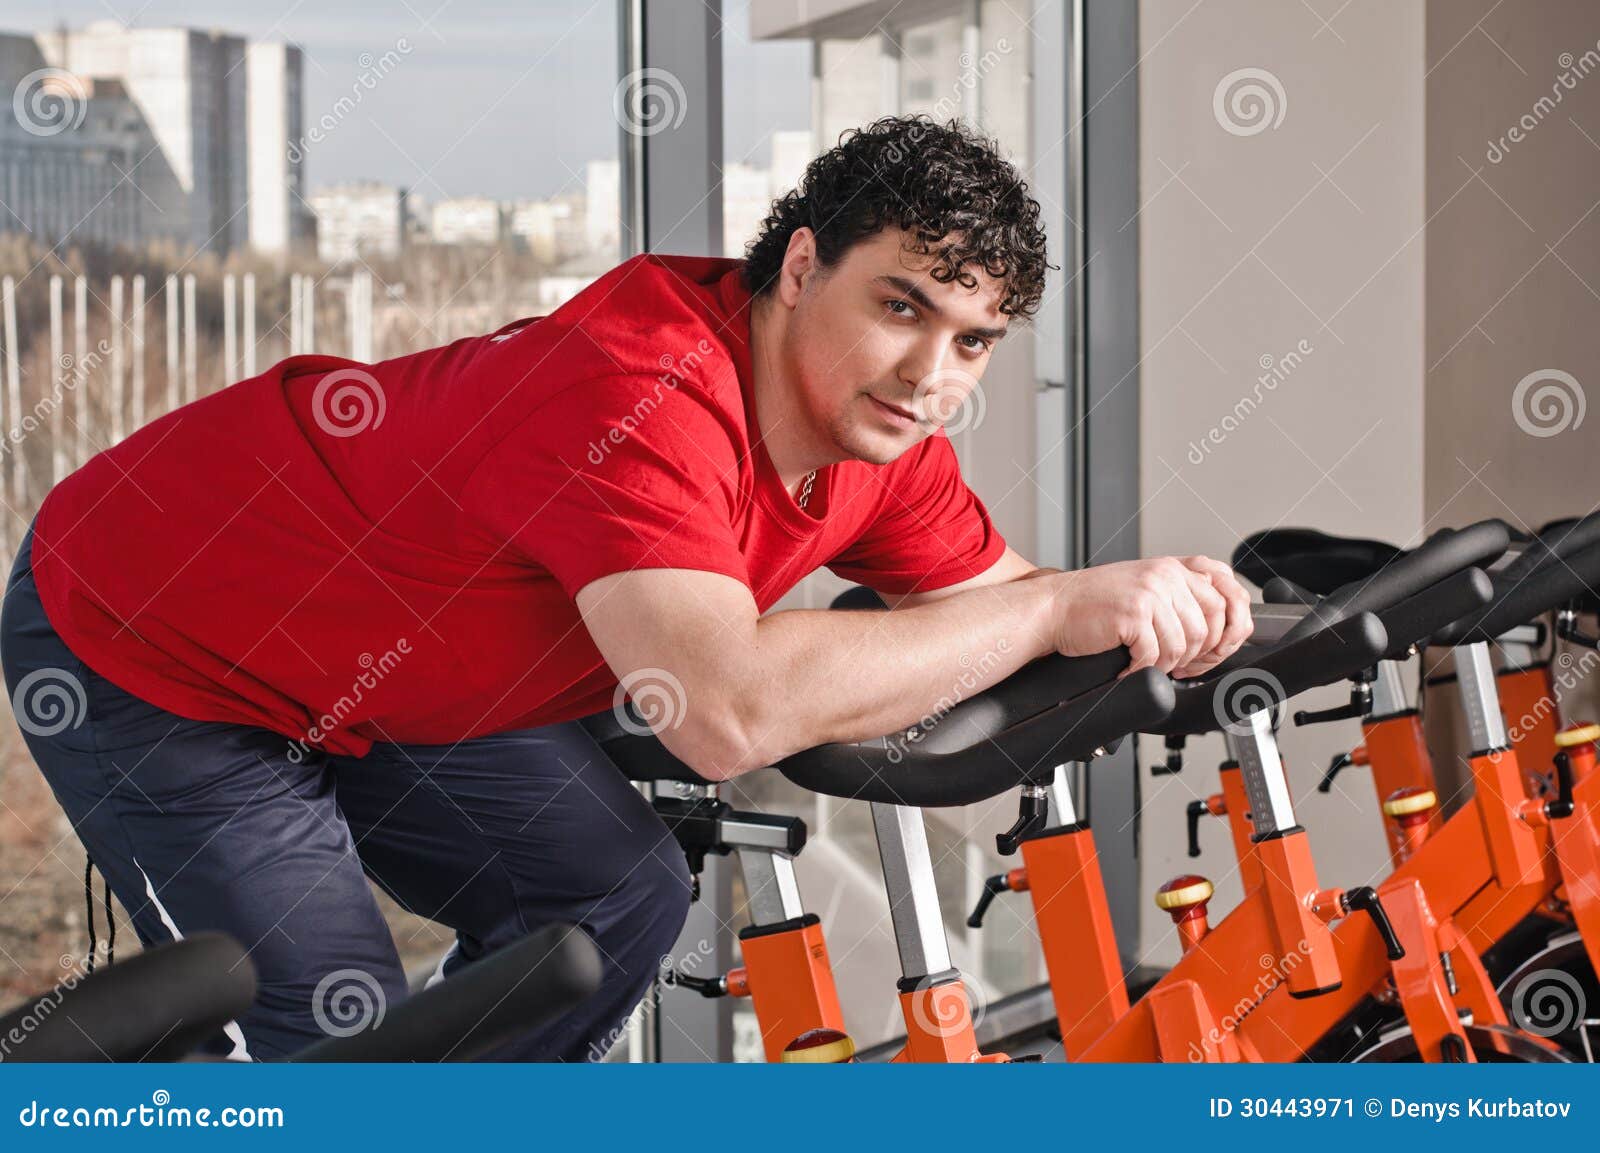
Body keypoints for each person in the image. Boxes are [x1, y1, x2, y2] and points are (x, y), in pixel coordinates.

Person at [0, 115, 1251, 1061]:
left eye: (972, 340)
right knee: (332, 1016)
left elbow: (1015, 609)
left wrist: (1169, 613)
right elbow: (725, 714)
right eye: (900, 307)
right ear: (803, 264)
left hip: (395, 664)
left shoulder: (884, 444)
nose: (933, 374)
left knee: (612, 898)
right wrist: (1049, 606)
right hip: (159, 631)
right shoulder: (641, 396)